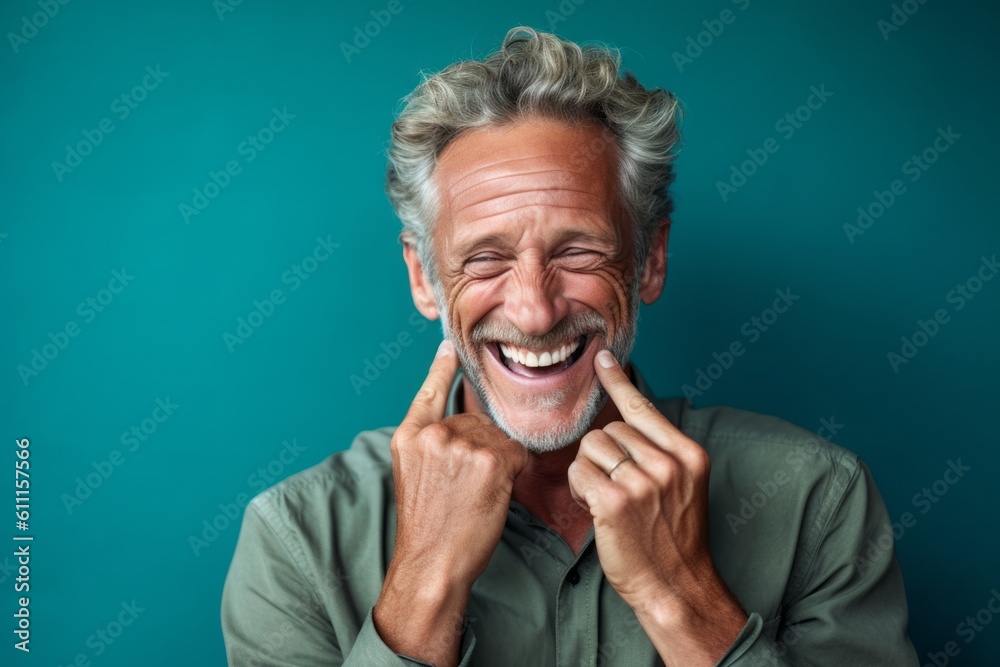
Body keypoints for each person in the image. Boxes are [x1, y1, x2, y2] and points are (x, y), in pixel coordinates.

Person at [221, 26, 919, 666]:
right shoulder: (296, 537)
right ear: (423, 278)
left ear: (650, 260)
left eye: (578, 252)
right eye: (485, 259)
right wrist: (426, 583)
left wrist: (678, 595)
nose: (534, 311)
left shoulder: (816, 498)